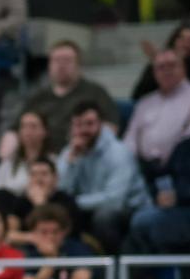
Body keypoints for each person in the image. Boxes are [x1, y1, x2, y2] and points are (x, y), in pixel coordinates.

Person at [57, 102, 152, 254]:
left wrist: (74, 202)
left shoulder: (118, 152)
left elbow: (114, 201)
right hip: (90, 206)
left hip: (130, 208)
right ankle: (78, 261)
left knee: (104, 217)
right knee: (59, 213)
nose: (83, 130)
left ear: (101, 124)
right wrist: (71, 163)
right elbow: (61, 192)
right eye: (78, 125)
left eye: (89, 124)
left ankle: (115, 264)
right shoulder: (70, 151)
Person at [3, 42, 117, 158]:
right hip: (41, 160)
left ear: (78, 65)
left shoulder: (95, 93)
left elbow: (110, 128)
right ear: (49, 65)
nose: (61, 65)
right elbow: (15, 130)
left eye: (67, 60)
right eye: (56, 60)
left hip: (80, 156)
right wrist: (4, 157)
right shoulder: (38, 97)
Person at [121, 49, 190, 179]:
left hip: (184, 170)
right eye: (161, 67)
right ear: (154, 73)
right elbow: (131, 139)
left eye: (172, 65)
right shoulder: (145, 102)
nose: (167, 70)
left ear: (183, 68)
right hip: (145, 170)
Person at [125, 132, 190, 254]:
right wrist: (160, 193)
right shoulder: (186, 146)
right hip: (177, 207)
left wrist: (179, 195)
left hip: (189, 206)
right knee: (140, 220)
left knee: (162, 226)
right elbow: (164, 174)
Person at [0, 111, 52, 194]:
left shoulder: (53, 161)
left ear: (45, 131)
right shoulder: (8, 163)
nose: (28, 131)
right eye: (24, 126)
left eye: (33, 126)